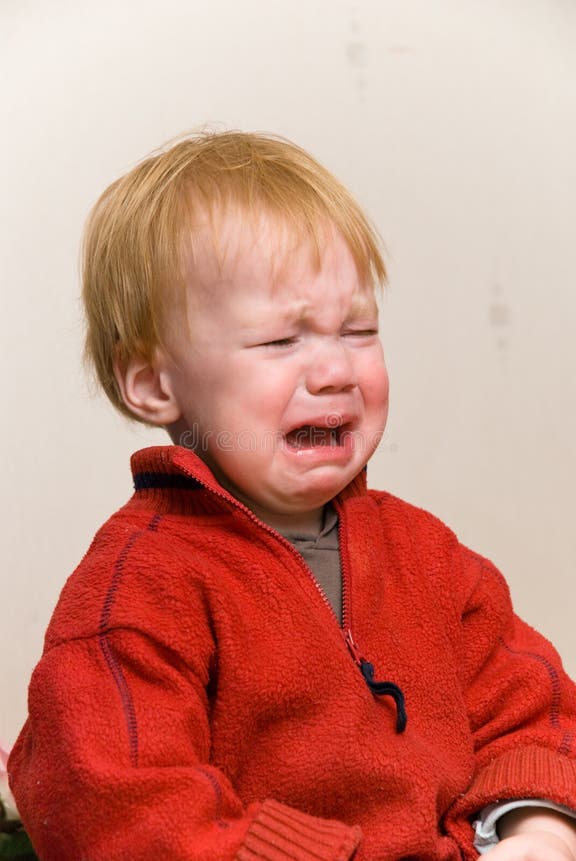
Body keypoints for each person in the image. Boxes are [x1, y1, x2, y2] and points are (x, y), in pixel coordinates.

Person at [8, 131, 576, 861]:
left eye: (359, 329)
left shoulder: (426, 555)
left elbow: (534, 708)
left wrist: (536, 827)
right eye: (281, 341)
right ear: (154, 383)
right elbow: (111, 799)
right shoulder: (138, 590)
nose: (335, 368)